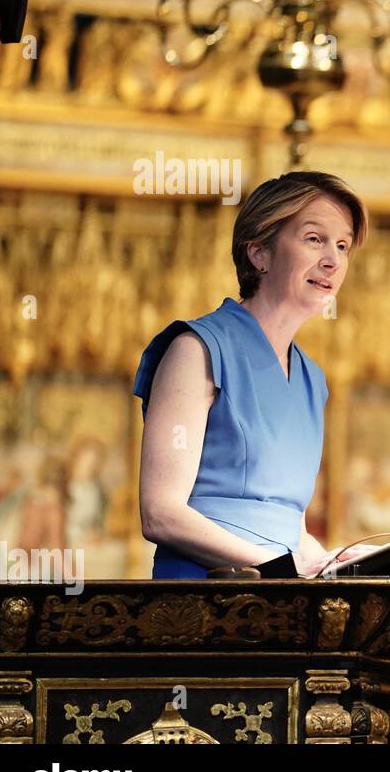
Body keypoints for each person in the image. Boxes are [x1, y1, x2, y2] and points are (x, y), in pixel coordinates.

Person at [133, 171, 376, 579]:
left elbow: (288, 528)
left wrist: (330, 561)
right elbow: (160, 513)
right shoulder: (196, 350)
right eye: (314, 239)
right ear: (259, 253)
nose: (332, 261)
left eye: (342, 246)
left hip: (279, 592)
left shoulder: (312, 380)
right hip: (207, 592)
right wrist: (282, 569)